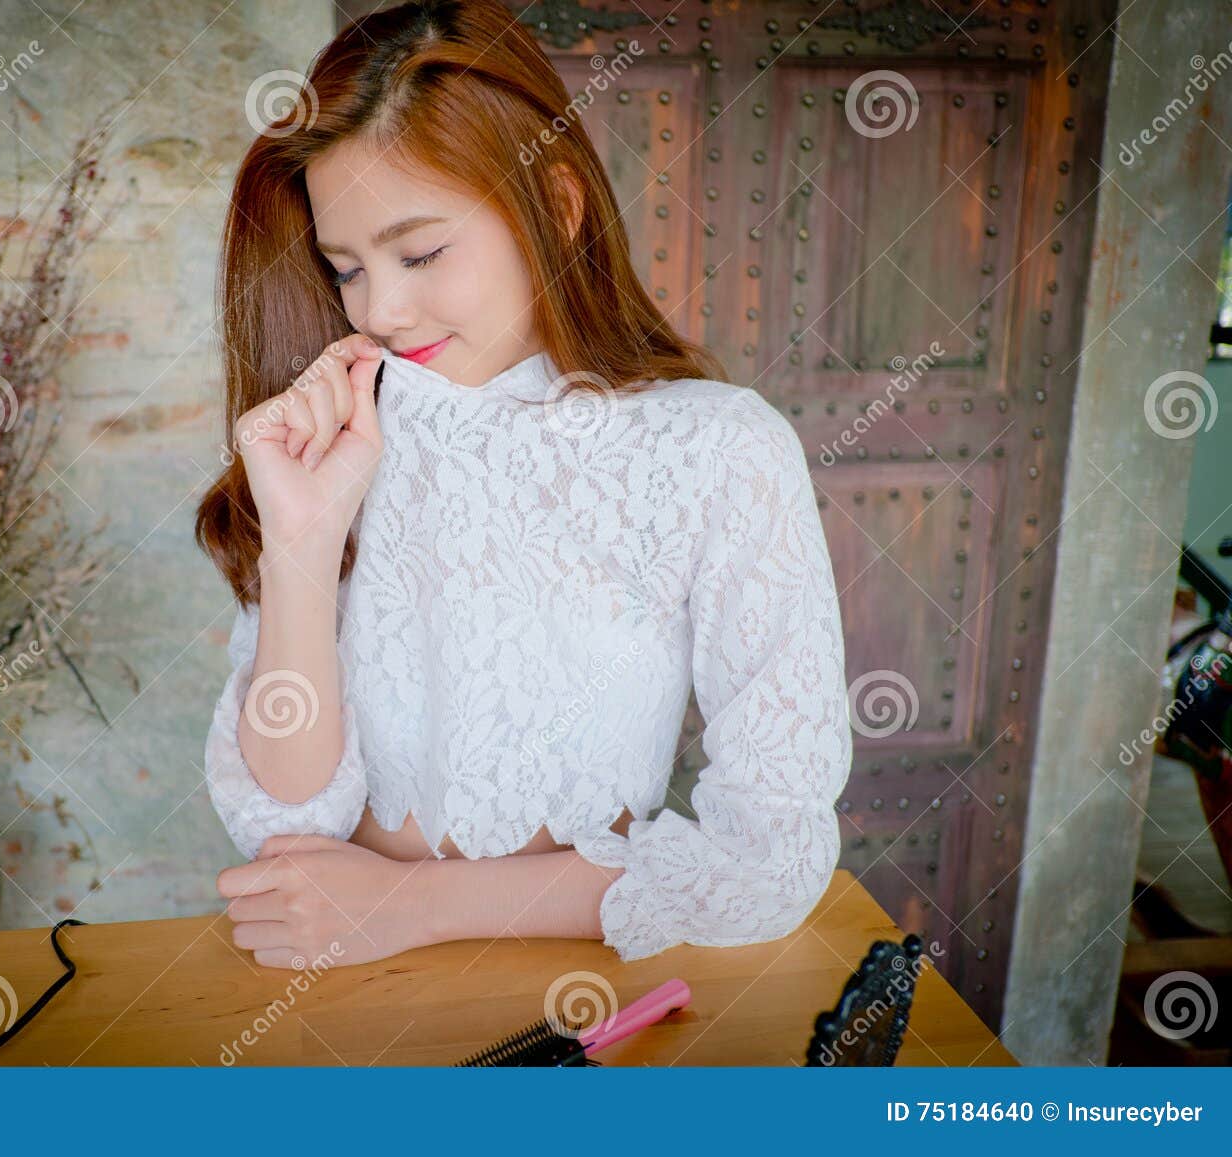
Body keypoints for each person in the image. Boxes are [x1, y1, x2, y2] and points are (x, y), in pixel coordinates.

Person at [193, 0, 852, 971]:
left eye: (420, 253)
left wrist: (415, 906)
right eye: (346, 267)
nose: (380, 307)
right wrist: (299, 540)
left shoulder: (715, 448)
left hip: (583, 979)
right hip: (340, 976)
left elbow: (769, 856)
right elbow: (283, 813)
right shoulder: (332, 434)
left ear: (556, 204)